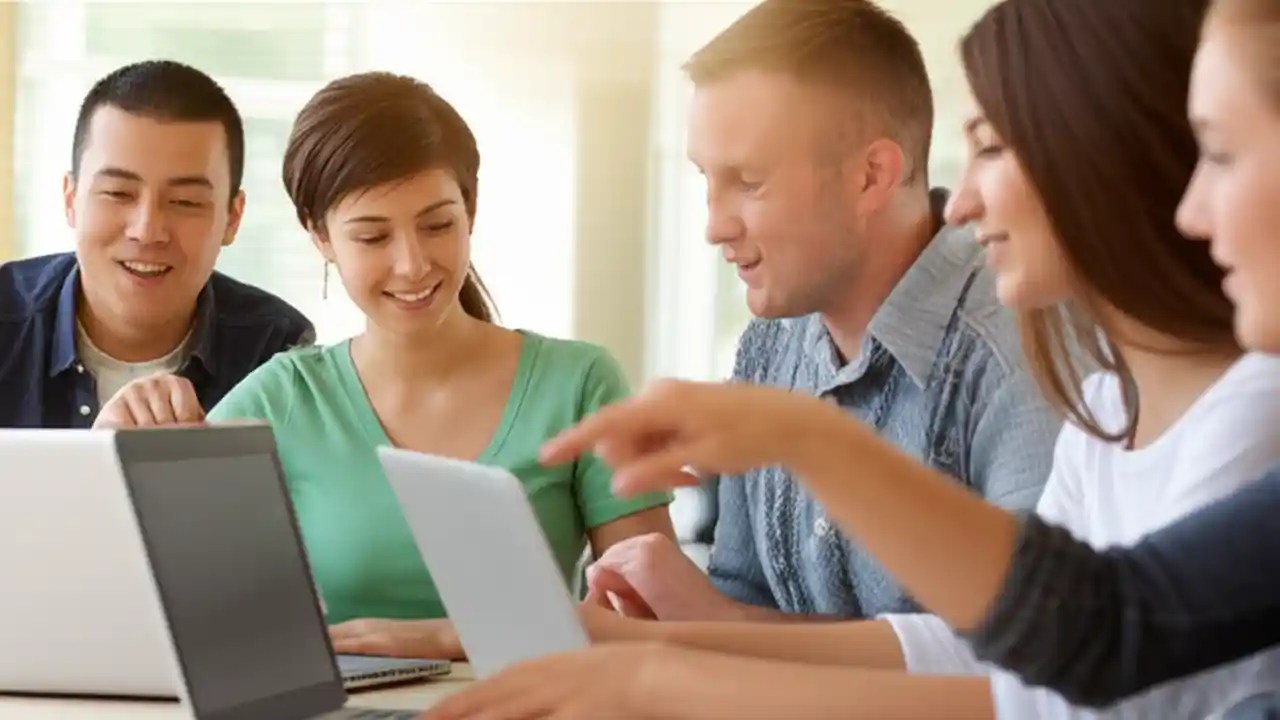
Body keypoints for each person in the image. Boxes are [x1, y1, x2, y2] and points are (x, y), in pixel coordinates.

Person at [424, 0, 1280, 717]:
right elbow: (1009, 647)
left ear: (1098, 154)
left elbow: (1071, 658)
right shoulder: (1106, 397)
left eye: (1224, 153)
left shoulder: (1171, 392)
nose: (966, 201)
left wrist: (664, 668)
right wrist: (631, 645)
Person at [96, 72, 675, 660]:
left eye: (437, 225)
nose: (412, 265)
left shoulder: (579, 385)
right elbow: (141, 600)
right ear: (320, 236)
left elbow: (657, 621)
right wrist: (110, 453)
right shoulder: (283, 397)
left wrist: (457, 638)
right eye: (372, 237)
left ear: (470, 208)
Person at [588, 0, 1059, 639]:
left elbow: (1025, 654)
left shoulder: (1019, 347)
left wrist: (714, 623)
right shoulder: (767, 348)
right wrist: (673, 617)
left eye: (748, 181)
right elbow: (743, 597)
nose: (714, 226)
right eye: (706, 179)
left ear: (871, 177)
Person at [0, 60, 313, 429]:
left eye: (185, 202)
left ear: (232, 217)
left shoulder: (275, 352)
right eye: (118, 193)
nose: (147, 231)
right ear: (71, 200)